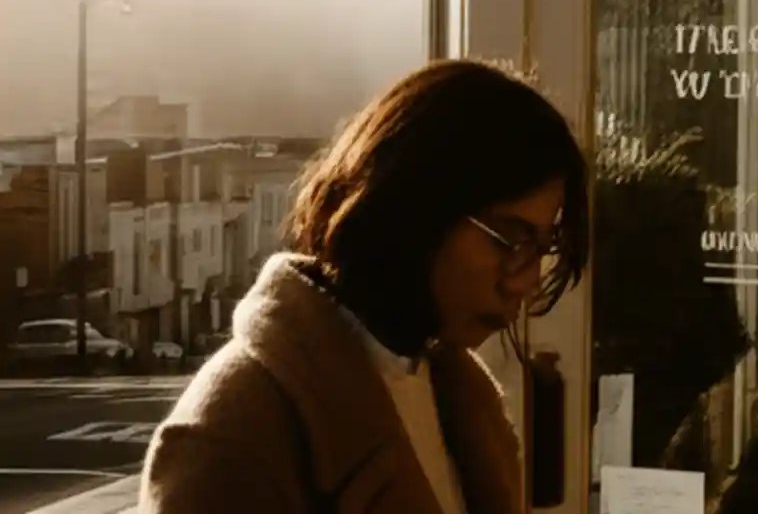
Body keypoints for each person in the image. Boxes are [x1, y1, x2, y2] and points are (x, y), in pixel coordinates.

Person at [137, 60, 588, 513]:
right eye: (509, 238)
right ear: (413, 204)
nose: (526, 279)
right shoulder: (231, 438)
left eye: (541, 247)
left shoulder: (459, 401)